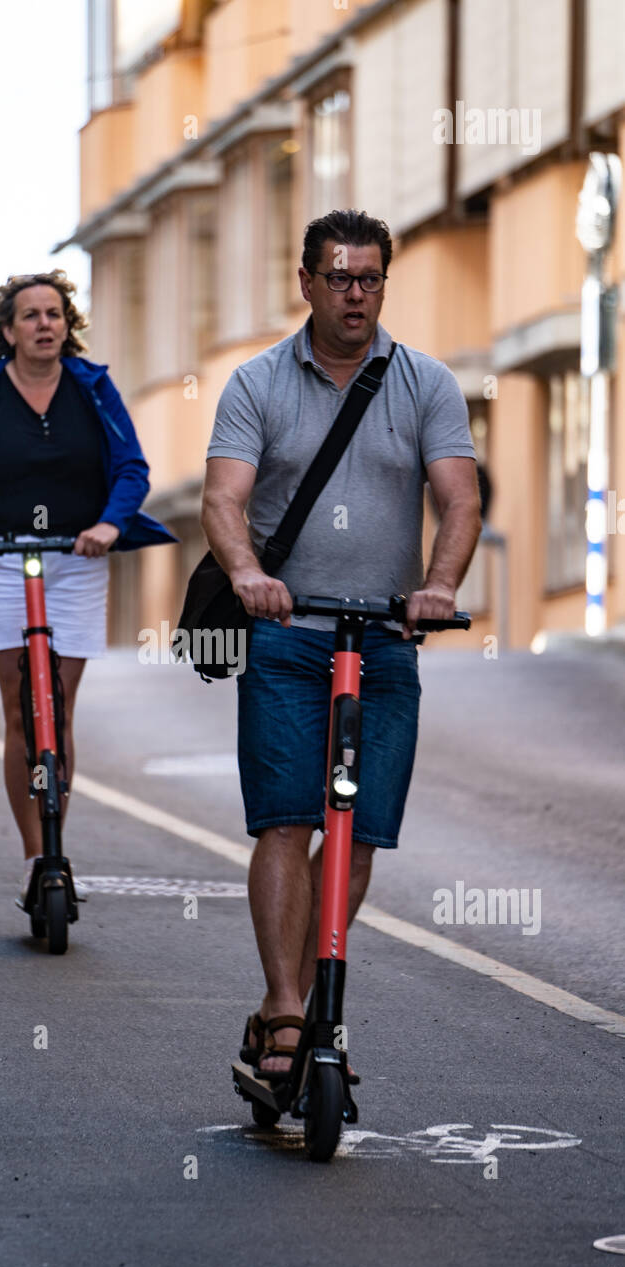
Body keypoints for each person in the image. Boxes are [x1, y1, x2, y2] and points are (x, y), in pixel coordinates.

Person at [201, 210, 481, 1078]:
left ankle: (301, 989)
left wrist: (439, 589)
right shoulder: (256, 384)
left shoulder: (426, 382)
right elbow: (222, 500)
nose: (356, 294)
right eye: (340, 277)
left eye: (371, 279)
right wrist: (248, 574)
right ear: (307, 283)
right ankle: (288, 1011)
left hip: (384, 642)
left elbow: (460, 500)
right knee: (287, 823)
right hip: (288, 637)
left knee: (355, 832)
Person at [0, 271, 175, 897]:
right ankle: (37, 857)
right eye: (29, 316)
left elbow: (132, 468)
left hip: (76, 554)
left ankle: (58, 837)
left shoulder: (93, 387)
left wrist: (111, 526)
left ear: (67, 325)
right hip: (0, 557)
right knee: (19, 709)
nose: (44, 325)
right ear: (7, 331)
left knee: (56, 707)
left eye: (54, 314)